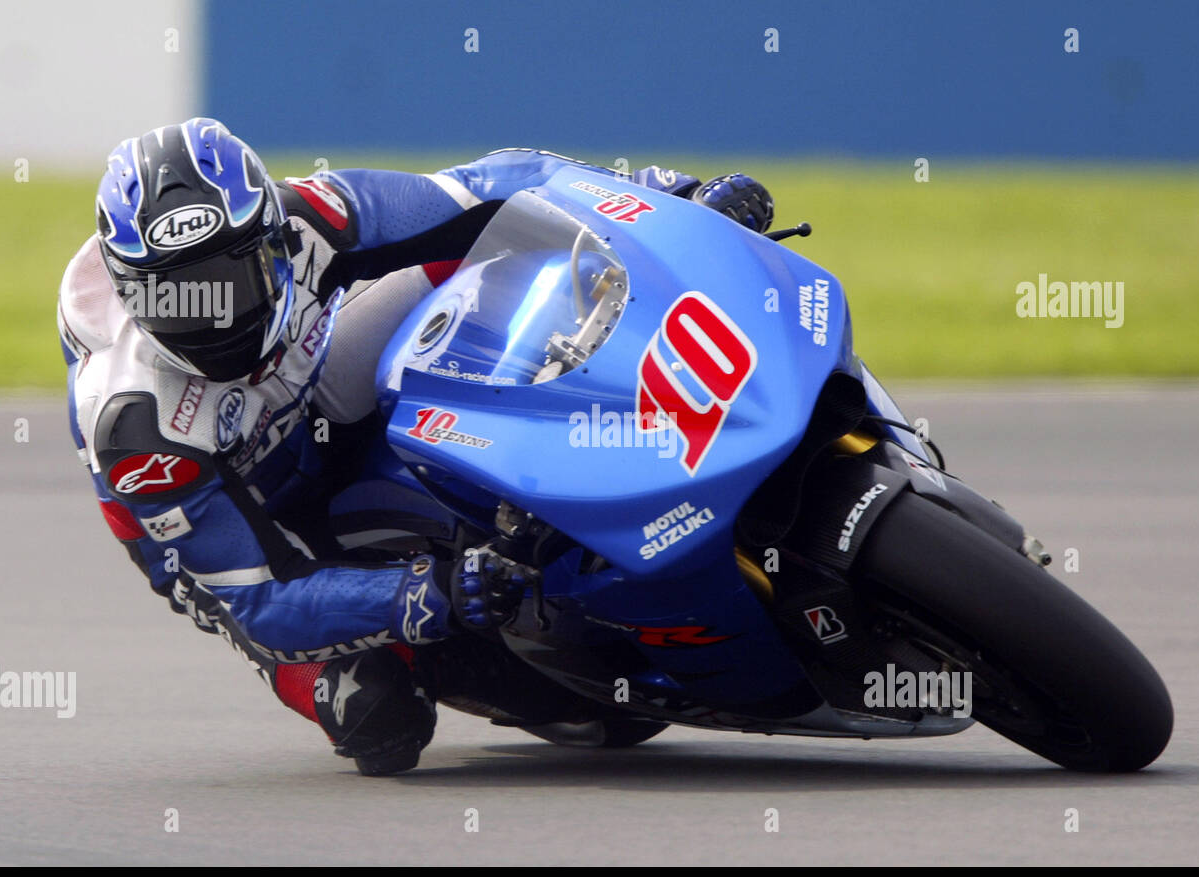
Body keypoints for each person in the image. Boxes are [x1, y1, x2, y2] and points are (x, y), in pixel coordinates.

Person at [58, 117, 774, 774]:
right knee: (382, 721)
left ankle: (599, 428)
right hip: (248, 524)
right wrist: (431, 593)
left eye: (226, 283)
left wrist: (671, 199)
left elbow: (494, 184)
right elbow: (261, 601)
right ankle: (434, 647)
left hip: (310, 387)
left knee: (495, 248)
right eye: (174, 298)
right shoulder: (135, 423)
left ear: (271, 243)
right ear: (130, 291)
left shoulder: (312, 217)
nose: (211, 319)